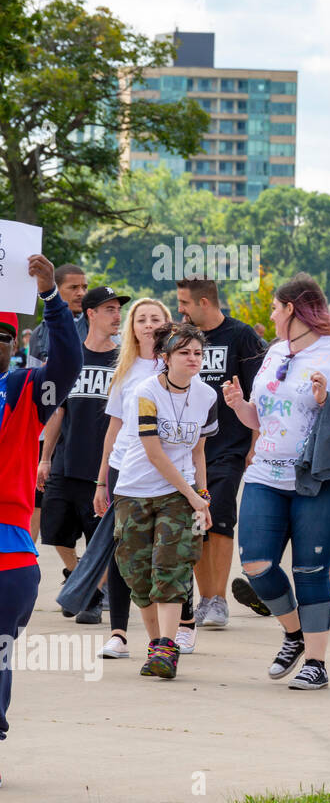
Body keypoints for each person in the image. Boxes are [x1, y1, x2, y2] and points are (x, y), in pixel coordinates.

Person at [223, 275, 330, 690]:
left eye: (275, 308)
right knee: (256, 562)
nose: (271, 315)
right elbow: (262, 417)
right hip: (266, 471)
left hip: (322, 475)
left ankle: (317, 661)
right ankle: (293, 633)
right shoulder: (273, 355)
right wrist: (240, 407)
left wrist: (329, 400)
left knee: (310, 567)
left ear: (291, 308)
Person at [0, 255, 80, 780]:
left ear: (11, 346)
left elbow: (68, 366)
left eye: (1, 338)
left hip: (7, 554)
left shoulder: (25, 390)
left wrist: (52, 300)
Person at [112, 324, 219, 679]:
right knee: (138, 574)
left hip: (180, 494)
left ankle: (166, 649)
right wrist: (193, 495)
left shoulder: (206, 396)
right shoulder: (145, 392)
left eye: (197, 353)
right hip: (135, 490)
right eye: (184, 353)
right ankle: (156, 645)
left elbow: (199, 449)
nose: (193, 359)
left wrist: (200, 495)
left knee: (171, 568)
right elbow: (153, 451)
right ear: (165, 358)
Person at [176, 275, 266, 632]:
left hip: (229, 446)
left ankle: (220, 602)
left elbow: (259, 392)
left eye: (184, 302)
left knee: (221, 518)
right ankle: (206, 597)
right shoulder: (182, 337)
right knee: (197, 522)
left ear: (203, 302)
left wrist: (256, 442)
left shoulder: (240, 335)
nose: (179, 309)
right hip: (187, 448)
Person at [37, 285, 128, 621]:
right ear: (91, 314)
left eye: (119, 310)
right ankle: (85, 583)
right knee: (56, 530)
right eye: (109, 309)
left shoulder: (124, 360)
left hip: (103, 467)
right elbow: (57, 410)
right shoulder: (71, 357)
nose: (117, 316)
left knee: (101, 539)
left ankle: (92, 593)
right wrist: (45, 458)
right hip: (66, 460)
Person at [94, 299, 173, 659]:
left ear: (166, 324)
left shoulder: (176, 365)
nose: (147, 324)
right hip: (124, 469)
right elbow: (114, 427)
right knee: (122, 550)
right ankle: (119, 634)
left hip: (165, 470)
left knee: (167, 551)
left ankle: (177, 629)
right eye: (141, 319)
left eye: (155, 318)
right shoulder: (124, 369)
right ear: (132, 327)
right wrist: (101, 480)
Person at [26, 264, 90, 366]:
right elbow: (32, 375)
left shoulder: (98, 328)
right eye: (74, 287)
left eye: (85, 287)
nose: (81, 293)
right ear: (56, 290)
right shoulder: (39, 334)